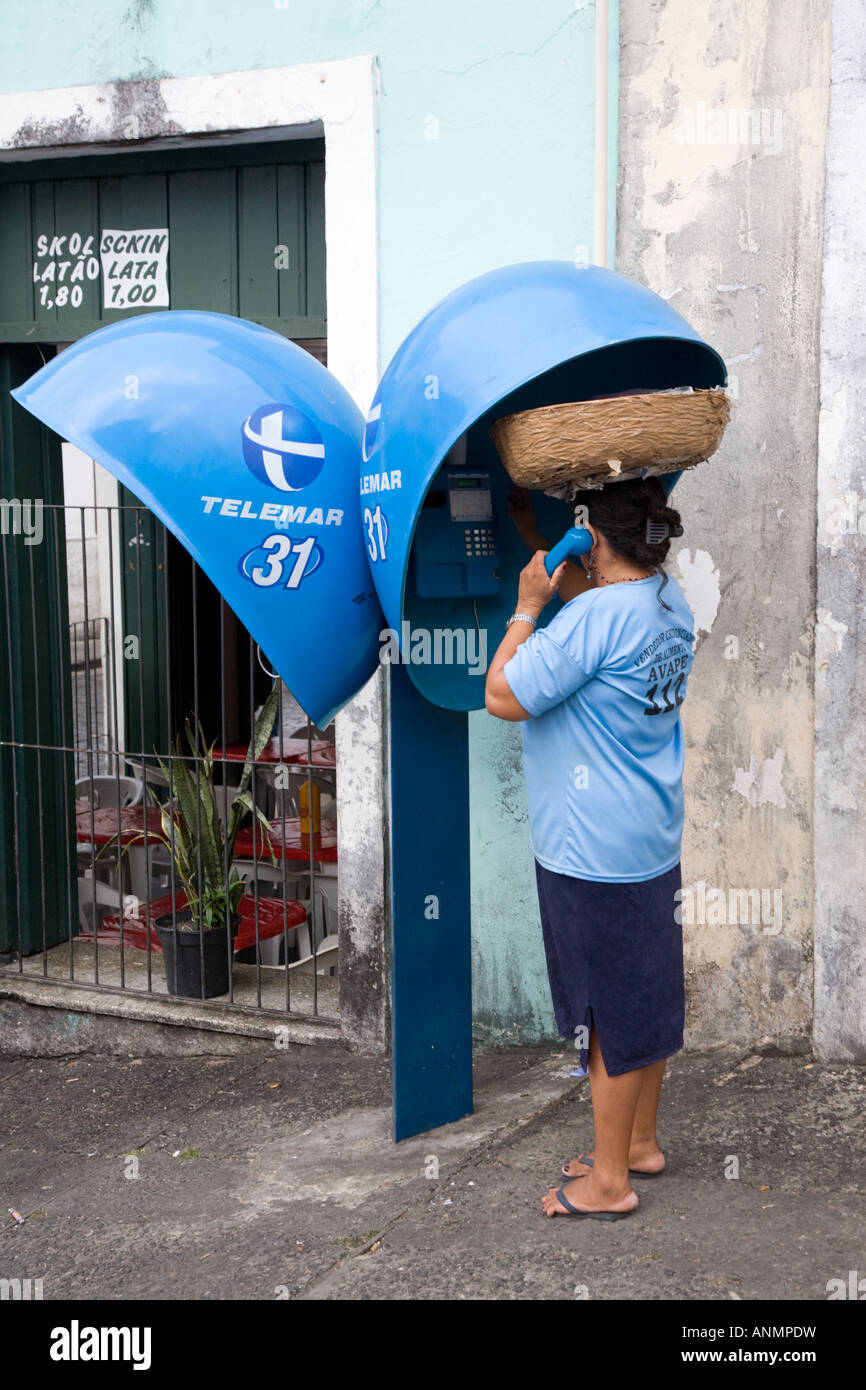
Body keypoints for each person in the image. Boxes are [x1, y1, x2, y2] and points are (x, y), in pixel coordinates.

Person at [484, 477, 695, 1221]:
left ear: (592, 538)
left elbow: (502, 694)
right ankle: (639, 1143)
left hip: (589, 850)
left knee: (604, 1012)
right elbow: (598, 628)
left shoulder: (588, 620)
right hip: (649, 838)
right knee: (646, 997)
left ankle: (609, 1182)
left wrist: (525, 608)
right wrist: (535, 545)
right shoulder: (669, 605)